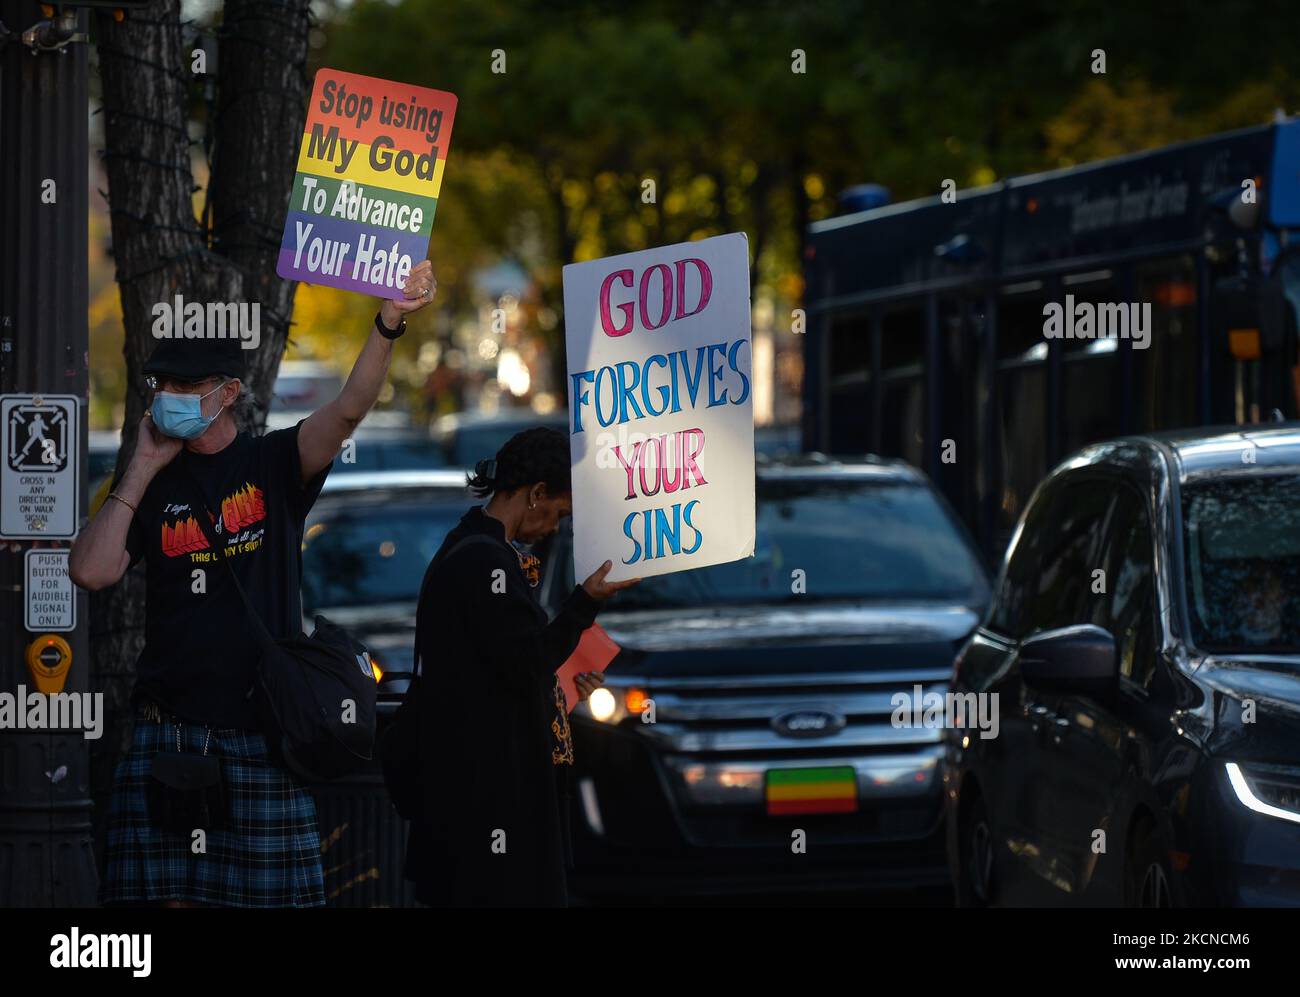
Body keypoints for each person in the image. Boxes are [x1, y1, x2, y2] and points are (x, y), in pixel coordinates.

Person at [70, 261, 437, 907]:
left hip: (259, 737)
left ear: (230, 390)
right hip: (167, 737)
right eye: (163, 383)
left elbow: (350, 409)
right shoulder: (146, 484)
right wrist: (141, 467)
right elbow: (91, 570)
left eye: (189, 383)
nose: (171, 394)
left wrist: (389, 320)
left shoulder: (273, 462)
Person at [405, 426, 638, 906]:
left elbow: (502, 660)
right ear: (535, 494)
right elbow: (525, 662)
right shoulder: (483, 562)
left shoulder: (475, 548)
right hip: (490, 798)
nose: (555, 528)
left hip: (478, 791)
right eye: (558, 512)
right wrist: (583, 604)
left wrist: (564, 675)